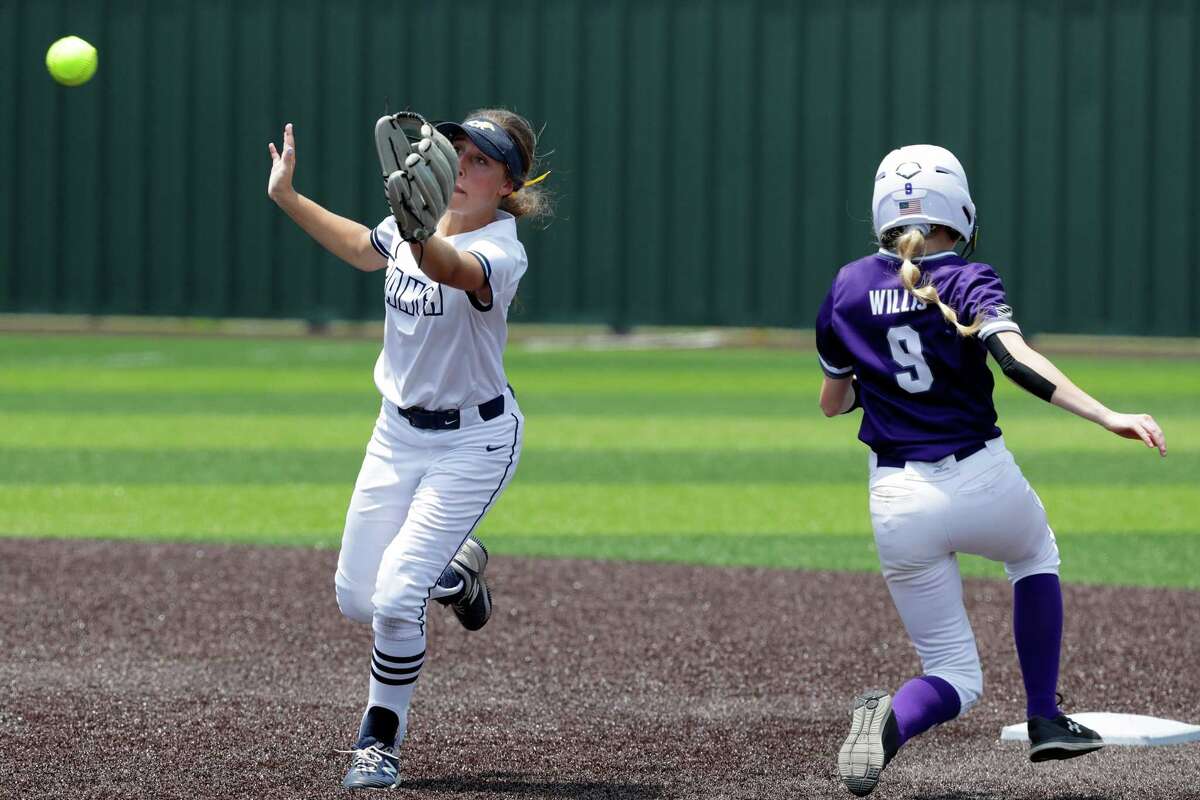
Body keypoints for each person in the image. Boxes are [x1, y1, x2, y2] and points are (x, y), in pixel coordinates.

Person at [815, 145, 1167, 797]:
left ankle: (888, 725)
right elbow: (1017, 362)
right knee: (1034, 555)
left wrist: (885, 387)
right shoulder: (967, 280)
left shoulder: (848, 286)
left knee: (954, 673)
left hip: (897, 497)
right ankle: (1045, 718)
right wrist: (1106, 414)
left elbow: (833, 403)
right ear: (961, 209)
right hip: (981, 478)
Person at [267, 107, 549, 789]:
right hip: (395, 433)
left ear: (506, 182)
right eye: (457, 151)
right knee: (356, 600)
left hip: (474, 442)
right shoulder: (411, 223)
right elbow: (370, 246)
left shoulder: (502, 251)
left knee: (396, 600)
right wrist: (288, 196)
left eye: (480, 160)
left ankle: (378, 741)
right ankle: (455, 574)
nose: (463, 165)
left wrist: (419, 229)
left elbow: (449, 268)